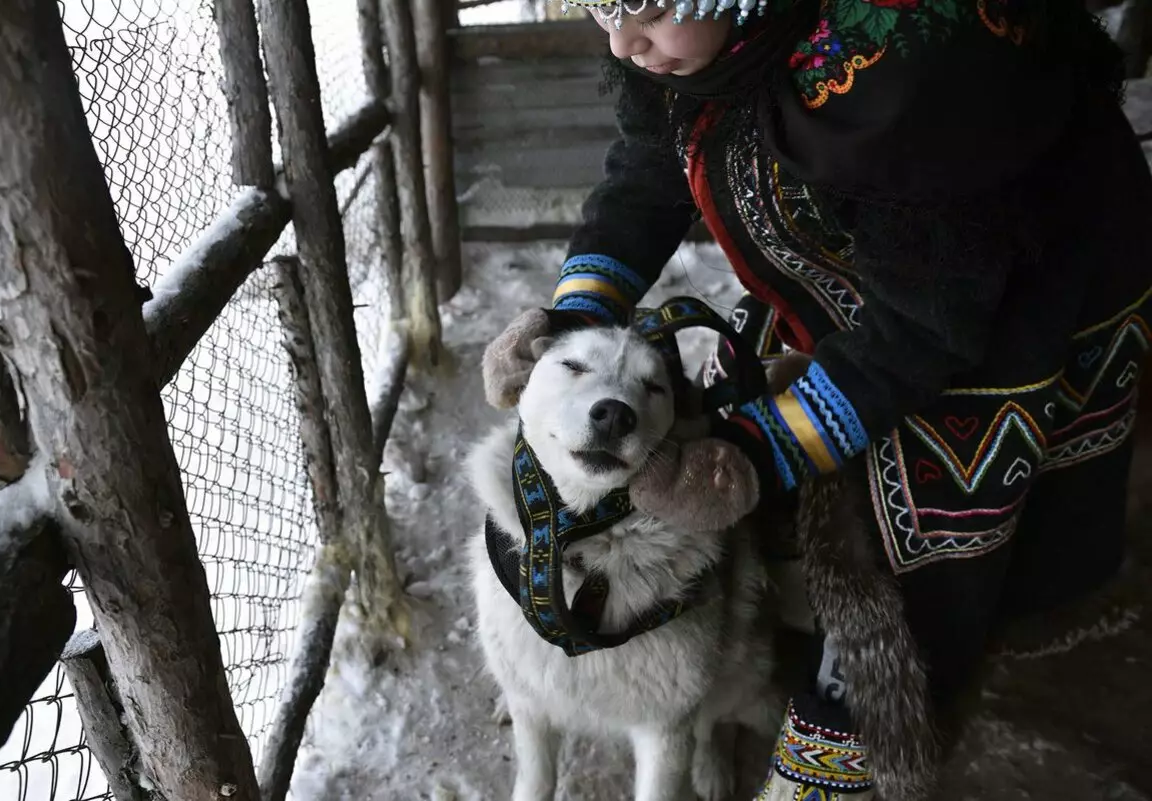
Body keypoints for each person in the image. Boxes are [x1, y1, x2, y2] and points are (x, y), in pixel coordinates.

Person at [481, 1, 1152, 798]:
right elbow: (652, 164)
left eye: (652, 11)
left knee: (929, 503)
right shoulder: (717, 46)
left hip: (1005, 283)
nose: (625, 44)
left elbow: (920, 329)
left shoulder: (914, 75)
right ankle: (808, 620)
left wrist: (758, 452)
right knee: (795, 424)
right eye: (601, 11)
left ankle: (856, 723)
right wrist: (572, 326)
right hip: (878, 271)